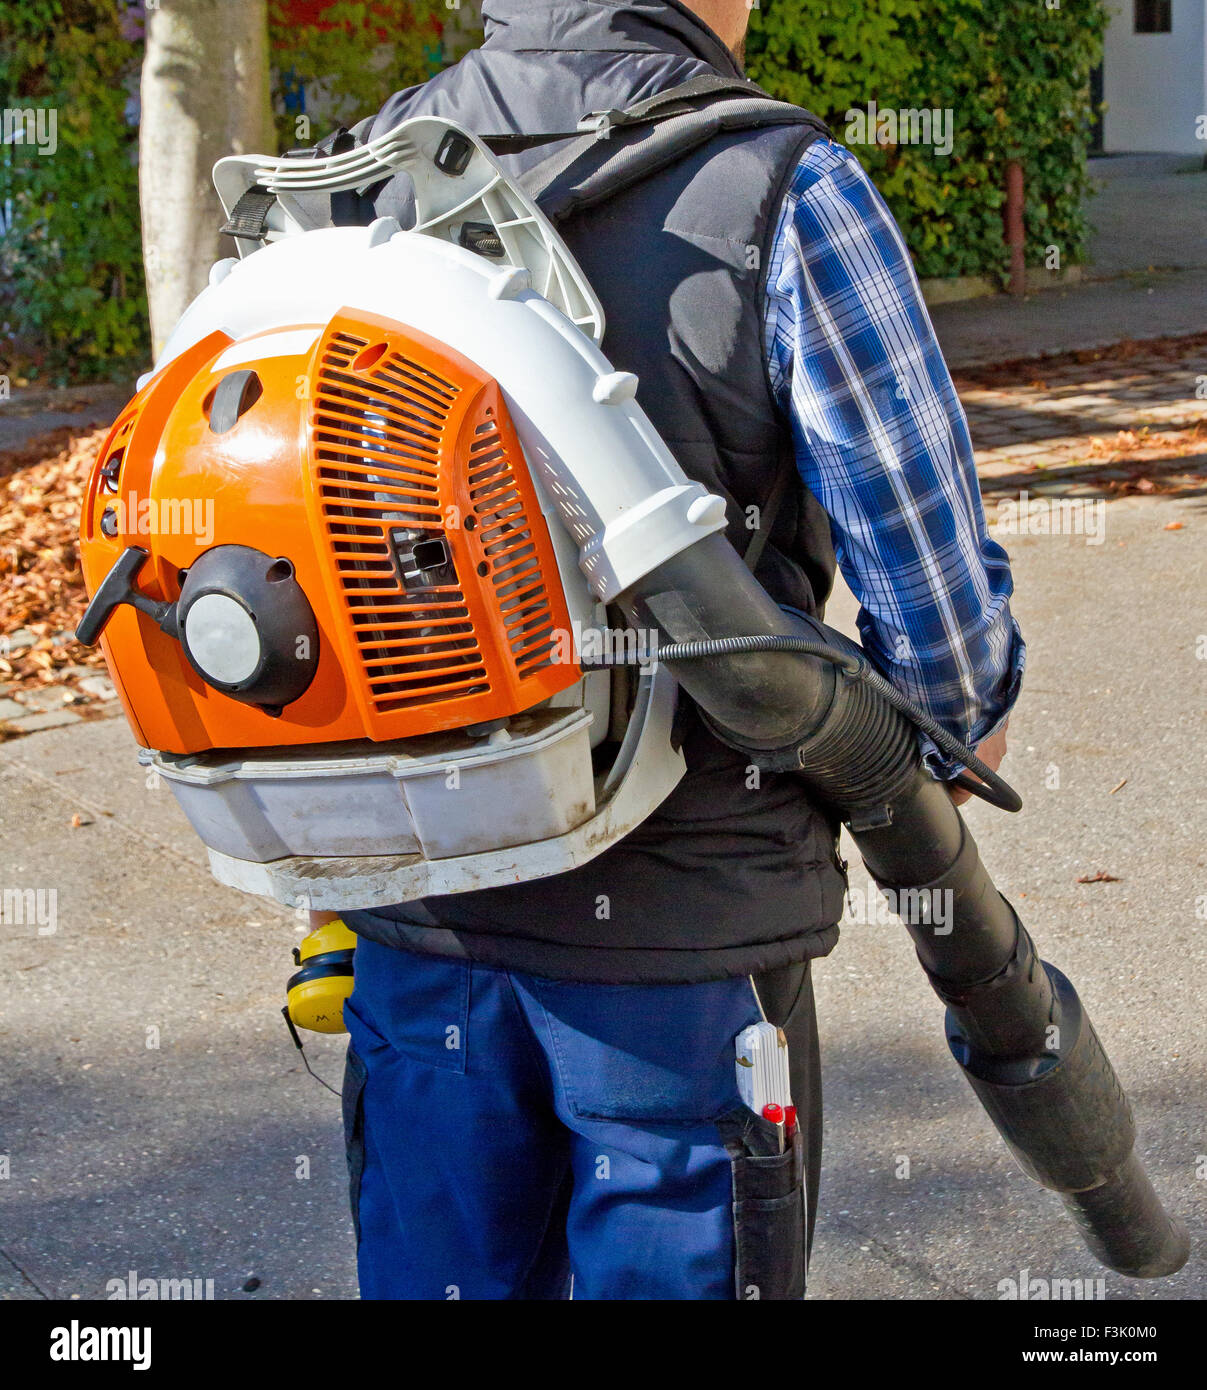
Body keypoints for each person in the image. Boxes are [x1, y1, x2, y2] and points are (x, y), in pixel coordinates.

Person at [325, 0, 1024, 1300]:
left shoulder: (369, 166)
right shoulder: (782, 186)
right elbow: (938, 636)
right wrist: (958, 719)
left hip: (423, 950)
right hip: (684, 973)